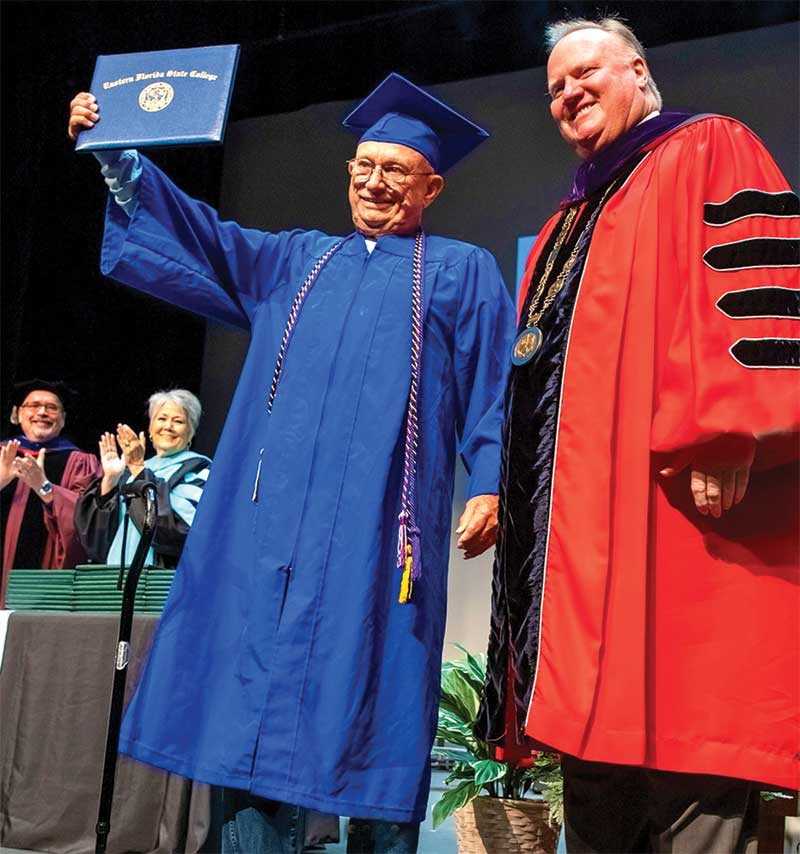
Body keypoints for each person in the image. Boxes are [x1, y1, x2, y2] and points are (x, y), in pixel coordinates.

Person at [69, 72, 515, 851]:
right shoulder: (295, 261)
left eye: (396, 170)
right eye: (364, 166)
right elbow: (204, 235)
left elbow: (494, 388)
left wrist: (490, 485)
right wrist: (122, 162)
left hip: (380, 542)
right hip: (267, 537)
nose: (375, 182)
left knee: (376, 706)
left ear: (432, 186)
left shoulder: (461, 270)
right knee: (248, 706)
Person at [475, 17, 799, 854]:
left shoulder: (708, 147)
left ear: (639, 71)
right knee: (596, 761)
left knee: (685, 745)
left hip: (673, 514)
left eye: (586, 71)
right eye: (555, 86)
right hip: (584, 550)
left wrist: (729, 433)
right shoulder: (565, 224)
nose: (568, 92)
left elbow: (757, 290)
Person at [75, 389, 211, 568]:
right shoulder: (131, 471)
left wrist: (139, 471)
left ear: (190, 432)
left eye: (178, 421)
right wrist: (111, 481)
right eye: (161, 419)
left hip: (161, 578)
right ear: (150, 429)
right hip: (114, 576)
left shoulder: (199, 470)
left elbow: (176, 532)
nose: (168, 426)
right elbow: (96, 543)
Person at [0, 379, 101, 604]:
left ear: (63, 419)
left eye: (52, 407)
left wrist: (45, 489)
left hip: (44, 587)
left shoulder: (80, 462)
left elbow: (87, 519)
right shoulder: (2, 453)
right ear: (17, 414)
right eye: (34, 405)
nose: (42, 412)